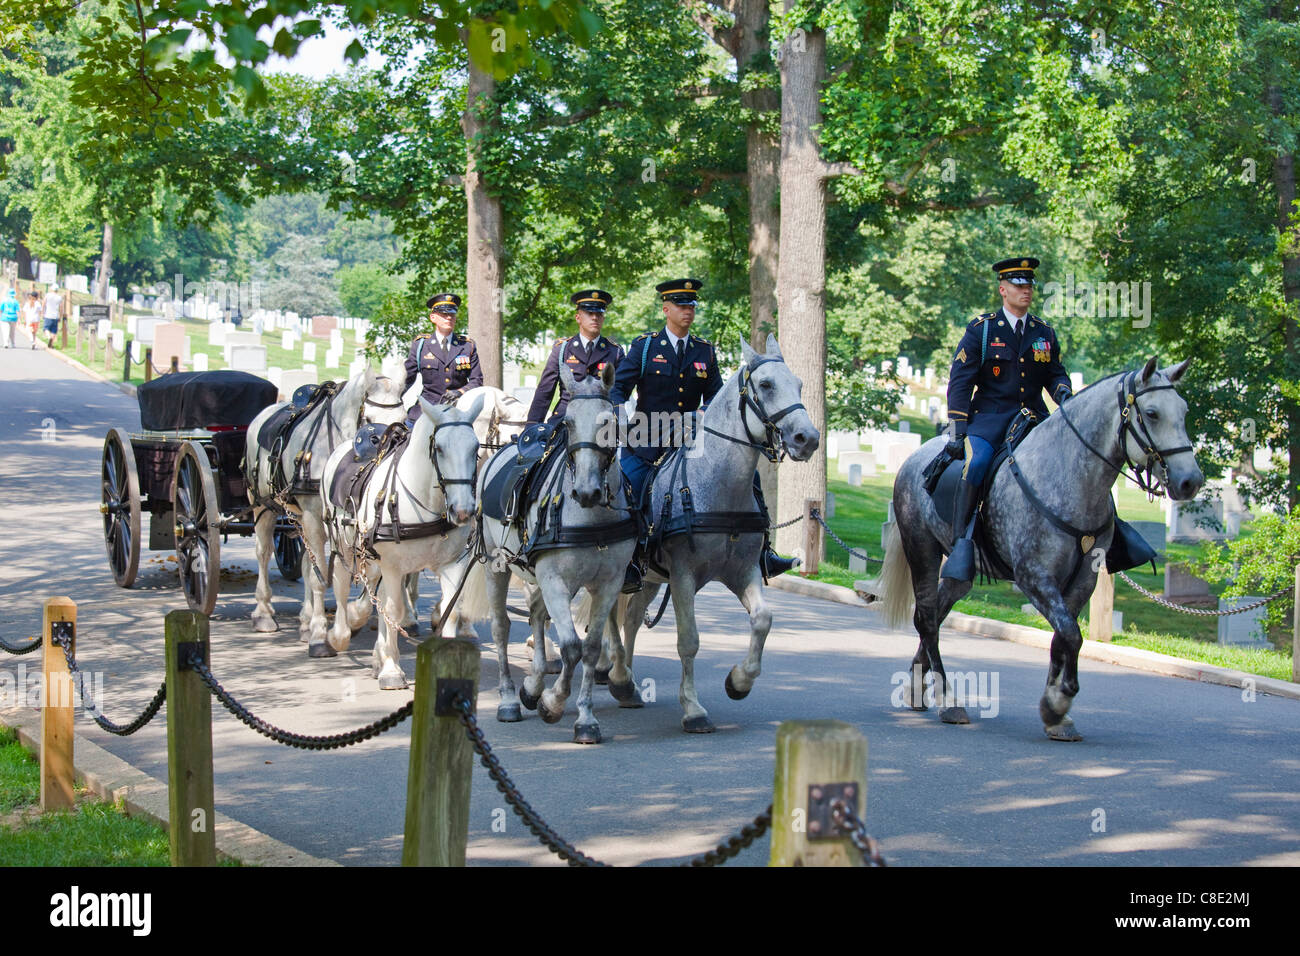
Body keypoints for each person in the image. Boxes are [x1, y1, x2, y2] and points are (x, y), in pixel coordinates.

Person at [610, 278, 795, 591]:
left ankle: (763, 551)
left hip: (691, 438)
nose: (687, 311)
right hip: (647, 439)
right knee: (632, 485)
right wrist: (621, 420)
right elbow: (618, 388)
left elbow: (717, 395)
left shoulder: (704, 351)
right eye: (681, 306)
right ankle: (631, 559)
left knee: (749, 478)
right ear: (666, 309)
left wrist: (704, 412)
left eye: (691, 306)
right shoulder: (646, 347)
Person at [942, 256, 1072, 581]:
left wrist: (1065, 396)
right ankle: (961, 543)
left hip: (1033, 421)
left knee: (1075, 464)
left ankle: (1102, 538)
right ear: (1003, 289)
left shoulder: (1044, 332)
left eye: (1029, 284)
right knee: (978, 464)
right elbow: (960, 381)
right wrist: (958, 428)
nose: (1025, 290)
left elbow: (1055, 374)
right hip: (990, 421)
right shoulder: (982, 330)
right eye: (1018, 284)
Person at [526, 289, 625, 425]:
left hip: (601, 421)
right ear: (578, 318)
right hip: (565, 418)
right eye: (589, 313)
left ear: (603, 318)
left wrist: (621, 423)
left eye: (599, 314)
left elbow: (620, 391)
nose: (594, 318)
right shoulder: (562, 349)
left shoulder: (615, 352)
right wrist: (532, 425)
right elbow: (545, 391)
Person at [403, 293, 483, 425]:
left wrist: (460, 392)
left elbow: (477, 380)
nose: (448, 318)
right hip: (427, 410)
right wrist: (394, 399)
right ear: (433, 317)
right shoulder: (421, 345)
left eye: (452, 314)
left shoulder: (468, 346)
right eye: (444, 314)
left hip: (458, 410)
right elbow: (407, 378)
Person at [42, 283, 63, 349]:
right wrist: (60, 316)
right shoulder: (59, 297)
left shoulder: (48, 295)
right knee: (54, 330)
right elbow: (61, 308)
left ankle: (49, 337)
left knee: (46, 329)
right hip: (55, 316)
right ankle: (51, 344)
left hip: (48, 315)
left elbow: (43, 304)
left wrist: (42, 312)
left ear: (51, 289)